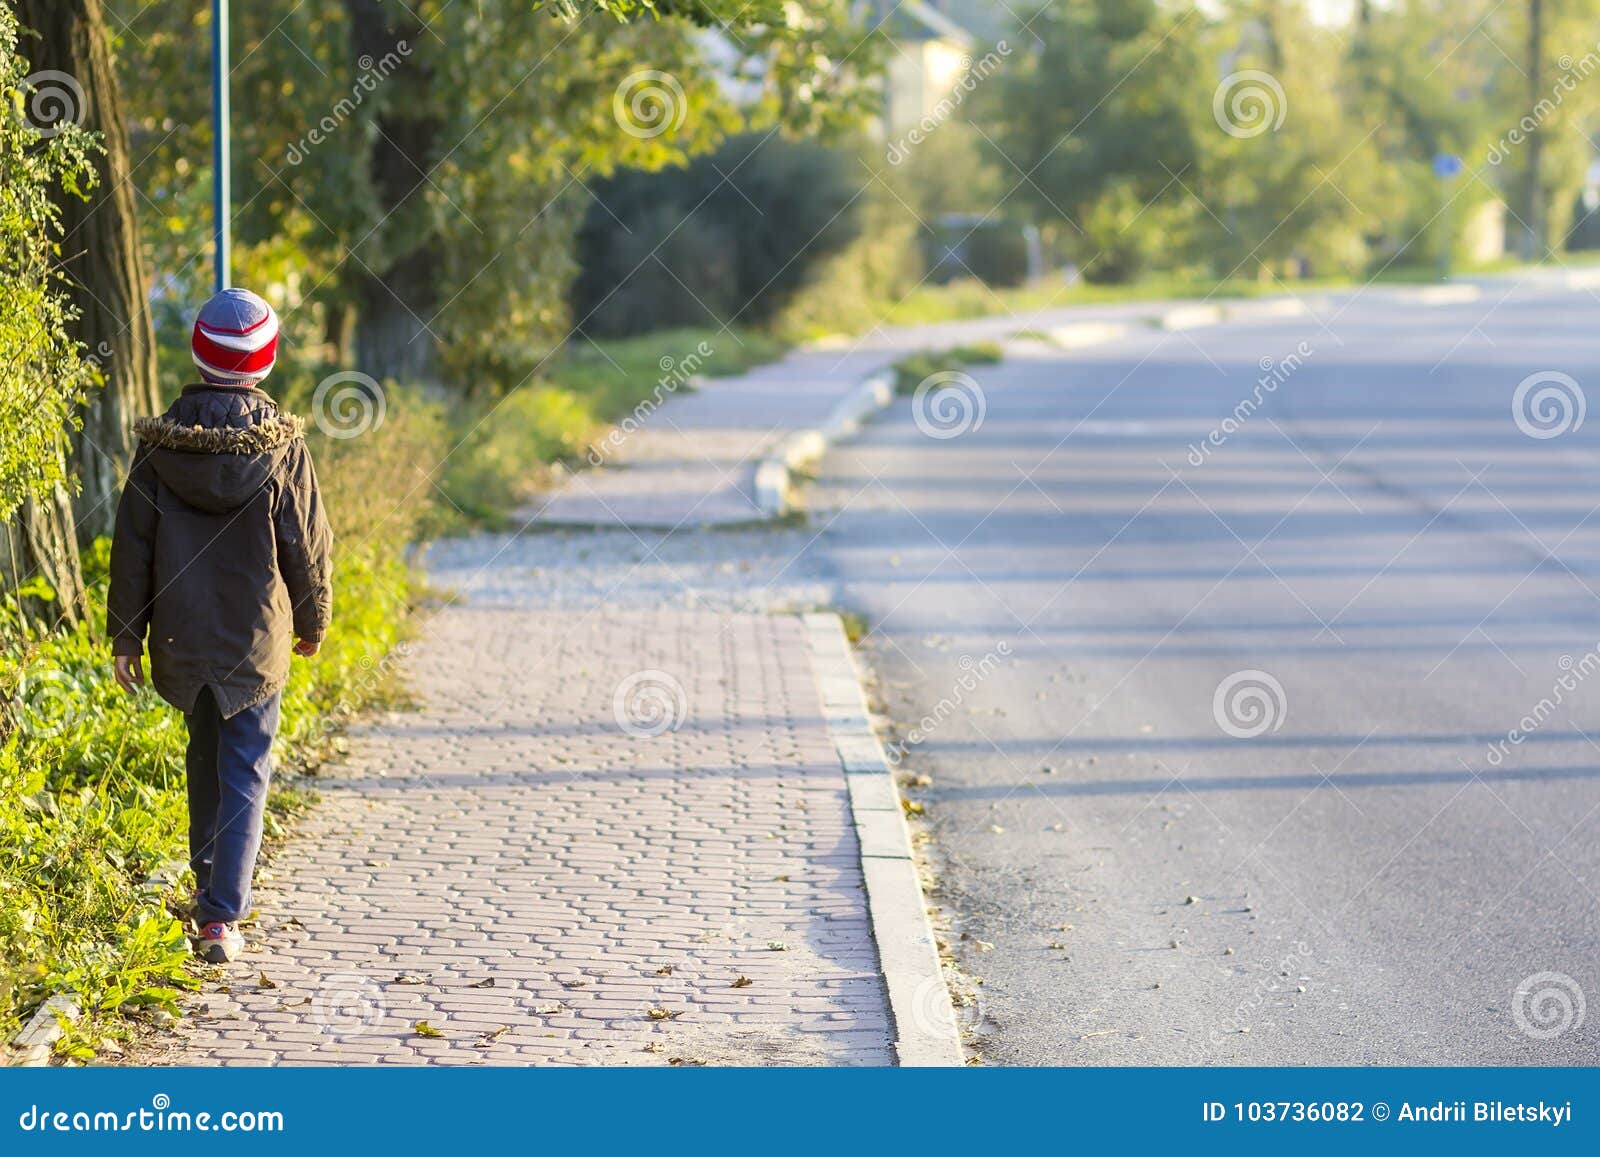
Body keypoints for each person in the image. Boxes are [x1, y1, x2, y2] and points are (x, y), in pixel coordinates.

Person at [107, 287, 333, 964]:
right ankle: (220, 917)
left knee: (203, 756)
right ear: (266, 361)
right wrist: (314, 617)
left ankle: (208, 883)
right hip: (253, 641)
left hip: (181, 635)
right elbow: (306, 544)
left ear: (198, 354)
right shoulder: (282, 448)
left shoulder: (160, 446)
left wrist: (127, 635)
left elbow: (132, 547)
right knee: (245, 768)